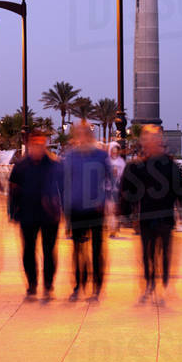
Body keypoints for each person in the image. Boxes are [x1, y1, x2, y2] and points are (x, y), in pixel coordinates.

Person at [119, 125, 182, 304]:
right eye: (150, 138)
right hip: (145, 218)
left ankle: (163, 286)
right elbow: (127, 190)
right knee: (147, 253)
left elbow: (181, 188)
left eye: (156, 138)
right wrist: (125, 212)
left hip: (166, 218)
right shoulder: (137, 166)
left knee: (165, 253)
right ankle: (149, 284)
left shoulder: (170, 165)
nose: (154, 141)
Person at [8, 131, 63, 300]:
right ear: (30, 145)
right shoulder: (20, 166)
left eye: (41, 144)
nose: (38, 147)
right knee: (29, 250)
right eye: (35, 144)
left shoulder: (54, 165)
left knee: (49, 251)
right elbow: (13, 190)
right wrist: (12, 211)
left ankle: (48, 285)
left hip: (50, 215)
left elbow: (63, 188)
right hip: (27, 214)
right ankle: (32, 284)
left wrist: (63, 209)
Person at [62, 122, 111, 302]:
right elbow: (64, 183)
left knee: (97, 250)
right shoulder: (70, 156)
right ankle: (78, 285)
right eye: (79, 133)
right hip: (76, 209)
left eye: (85, 133)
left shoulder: (101, 156)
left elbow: (110, 181)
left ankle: (97, 287)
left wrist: (105, 200)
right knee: (77, 250)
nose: (82, 137)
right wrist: (65, 208)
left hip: (96, 210)